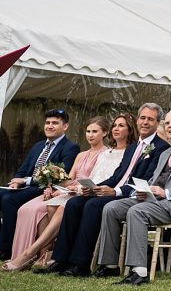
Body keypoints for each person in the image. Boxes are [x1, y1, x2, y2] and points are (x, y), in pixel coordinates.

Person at [39, 103, 169, 277]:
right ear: (138, 120)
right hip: (114, 190)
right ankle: (61, 260)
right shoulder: (132, 147)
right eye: (143, 118)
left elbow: (146, 180)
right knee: (74, 203)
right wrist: (94, 188)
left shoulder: (162, 148)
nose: (145, 122)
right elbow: (117, 175)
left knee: (92, 206)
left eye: (151, 119)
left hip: (132, 195)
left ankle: (81, 264)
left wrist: (115, 191)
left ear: (158, 122)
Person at [94, 110, 171, 285]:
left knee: (137, 211)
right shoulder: (165, 153)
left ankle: (139, 271)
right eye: (167, 123)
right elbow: (153, 180)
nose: (170, 126)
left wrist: (166, 193)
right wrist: (143, 190)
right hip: (154, 201)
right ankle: (110, 264)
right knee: (111, 208)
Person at [4, 116, 126, 271]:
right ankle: (45, 254)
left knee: (59, 207)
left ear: (104, 133)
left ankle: (31, 253)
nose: (90, 135)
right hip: (73, 190)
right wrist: (53, 184)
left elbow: (95, 180)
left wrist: (76, 188)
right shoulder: (81, 154)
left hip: (85, 191)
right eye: (88, 131)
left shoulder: (104, 153)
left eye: (95, 131)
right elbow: (69, 178)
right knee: (48, 205)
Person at [0, 108, 81, 261]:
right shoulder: (38, 146)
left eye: (55, 123)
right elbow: (23, 169)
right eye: (47, 123)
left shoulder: (70, 147)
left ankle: (5, 249)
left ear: (65, 126)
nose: (49, 126)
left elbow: (60, 175)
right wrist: (15, 182)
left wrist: (26, 181)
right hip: (26, 186)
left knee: (8, 200)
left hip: (44, 188)